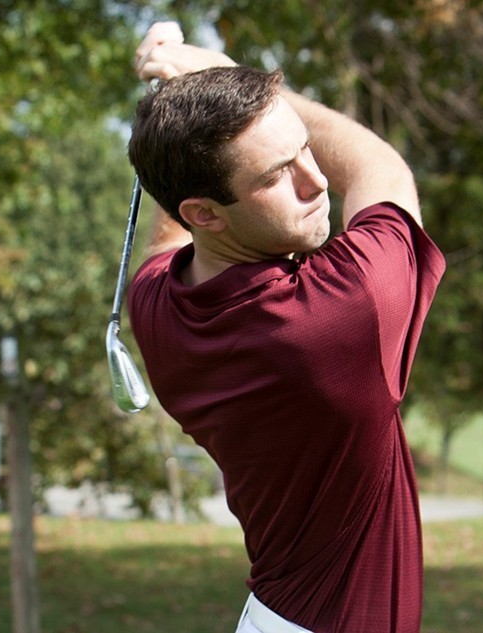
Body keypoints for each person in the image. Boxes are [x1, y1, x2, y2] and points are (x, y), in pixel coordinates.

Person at [126, 22, 445, 633]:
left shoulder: (157, 305)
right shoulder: (337, 315)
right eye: (275, 176)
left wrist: (200, 101)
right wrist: (214, 67)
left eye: (305, 148)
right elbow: (379, 168)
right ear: (207, 213)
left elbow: (168, 237)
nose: (315, 180)